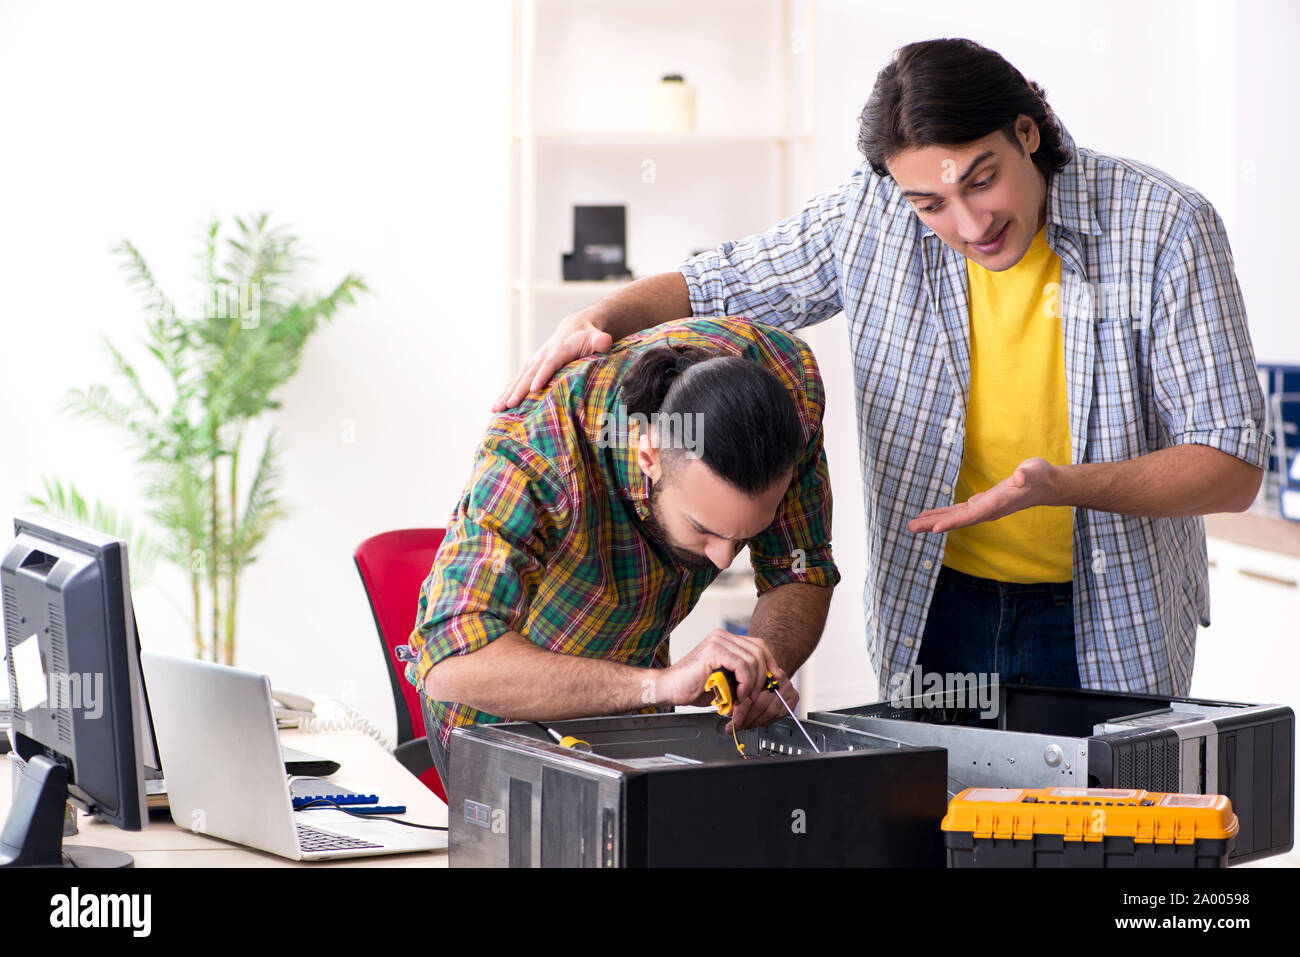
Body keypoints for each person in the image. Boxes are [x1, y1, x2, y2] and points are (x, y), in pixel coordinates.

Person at [494, 38, 1269, 700]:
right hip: (937, 609)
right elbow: (721, 281)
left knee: (1108, 835)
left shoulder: (1164, 226)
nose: (967, 225)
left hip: (1106, 614)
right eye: (930, 202)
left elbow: (1231, 466)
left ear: (1026, 132)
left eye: (981, 179)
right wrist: (599, 318)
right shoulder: (872, 215)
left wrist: (1065, 486)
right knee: (944, 831)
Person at [404, 316, 839, 786]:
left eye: (744, 535)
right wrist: (660, 683)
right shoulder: (540, 454)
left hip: (635, 698)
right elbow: (450, 661)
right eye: (704, 531)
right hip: (499, 718)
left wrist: (761, 666)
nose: (722, 560)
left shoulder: (788, 393)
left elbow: (798, 569)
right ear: (649, 456)